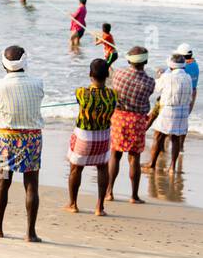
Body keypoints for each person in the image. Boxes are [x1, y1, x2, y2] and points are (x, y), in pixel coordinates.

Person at [0, 45, 44, 242]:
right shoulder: (38, 83)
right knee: (31, 185)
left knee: (2, 182)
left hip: (6, 140)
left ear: (4, 64)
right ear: (25, 62)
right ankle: (30, 233)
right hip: (32, 139)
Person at [65, 58, 117, 216]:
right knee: (102, 168)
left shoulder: (82, 92)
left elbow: (81, 99)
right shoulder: (113, 94)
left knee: (76, 168)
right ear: (107, 75)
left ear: (90, 74)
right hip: (103, 136)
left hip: (84, 136)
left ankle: (73, 204)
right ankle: (99, 207)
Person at [108, 46, 154, 204]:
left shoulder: (119, 74)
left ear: (129, 60)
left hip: (119, 117)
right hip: (137, 120)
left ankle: (109, 192)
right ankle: (133, 196)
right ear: (146, 61)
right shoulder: (150, 82)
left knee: (115, 154)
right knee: (134, 158)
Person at [147, 52, 195, 173]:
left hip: (169, 110)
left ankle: (152, 164)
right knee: (175, 138)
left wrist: (160, 75)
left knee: (158, 136)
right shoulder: (188, 77)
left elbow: (156, 88)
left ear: (171, 65)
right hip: (183, 111)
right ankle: (172, 167)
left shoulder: (167, 77)